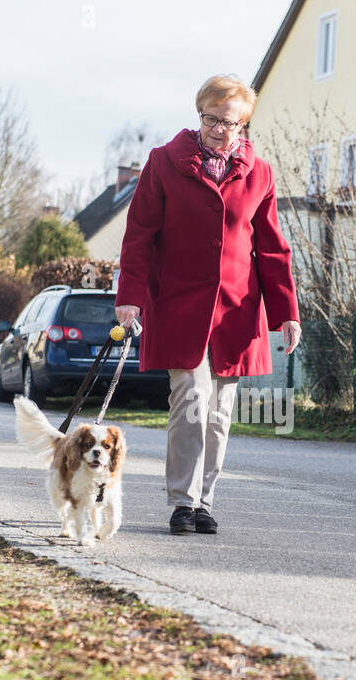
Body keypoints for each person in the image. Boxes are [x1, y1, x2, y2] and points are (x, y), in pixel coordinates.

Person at [115, 73, 301, 535]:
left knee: (220, 411)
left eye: (230, 122)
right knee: (191, 399)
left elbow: (272, 249)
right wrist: (130, 299)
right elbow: (139, 234)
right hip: (180, 307)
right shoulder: (164, 163)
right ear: (199, 116)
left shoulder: (260, 174)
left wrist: (287, 313)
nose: (219, 129)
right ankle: (182, 500)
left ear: (244, 126)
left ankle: (204, 501)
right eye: (212, 119)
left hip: (237, 311)